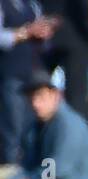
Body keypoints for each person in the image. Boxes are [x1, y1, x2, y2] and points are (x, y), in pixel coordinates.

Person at [0, 67, 88, 179]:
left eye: (40, 96)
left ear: (55, 95)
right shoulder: (36, 126)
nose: (35, 103)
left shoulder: (68, 124)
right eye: (31, 97)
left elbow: (58, 170)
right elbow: (28, 167)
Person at [0, 0, 57, 164]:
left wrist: (45, 33)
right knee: (13, 131)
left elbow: (45, 44)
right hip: (12, 76)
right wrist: (26, 32)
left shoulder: (33, 5)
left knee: (34, 129)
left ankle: (36, 177)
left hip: (34, 77)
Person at [39, 0, 88, 122]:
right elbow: (83, 8)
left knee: (40, 88)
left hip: (48, 34)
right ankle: (78, 134)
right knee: (77, 96)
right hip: (76, 34)